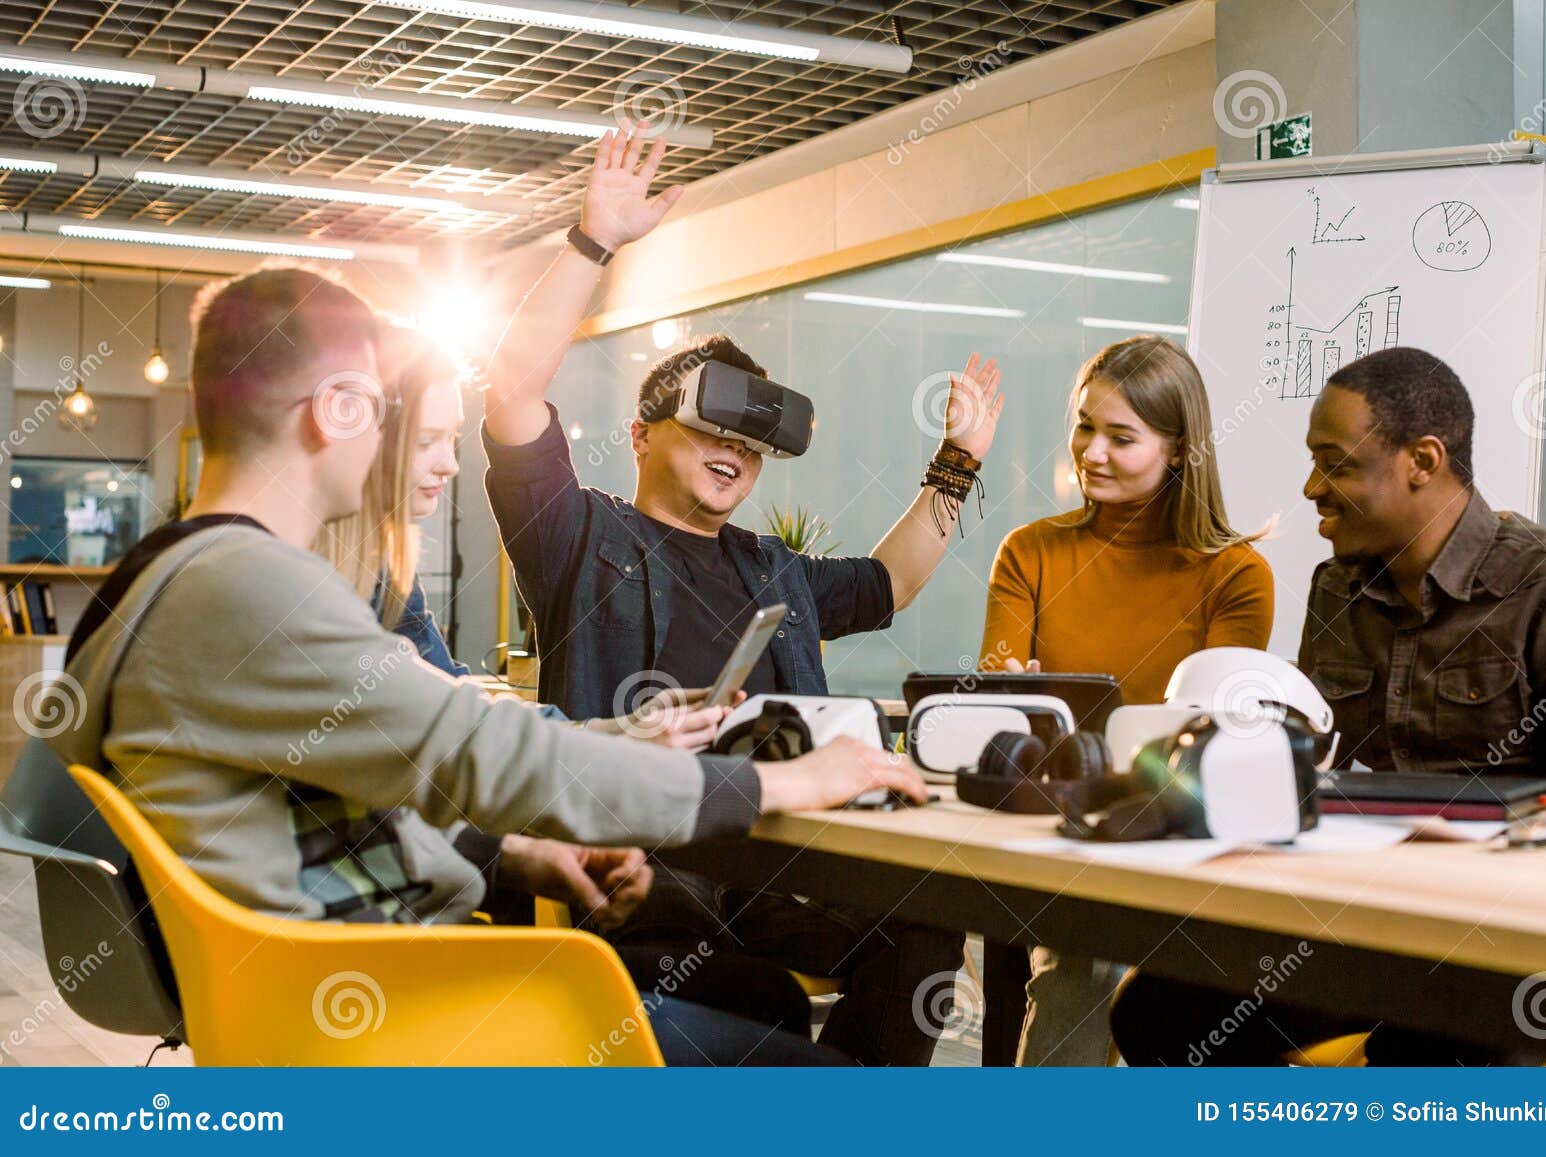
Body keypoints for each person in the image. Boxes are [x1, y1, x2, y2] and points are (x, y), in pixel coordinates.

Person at [54, 265, 929, 1067]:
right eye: (406, 427)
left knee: (767, 1006)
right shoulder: (249, 589)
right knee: (836, 1087)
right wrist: (777, 782)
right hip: (377, 1014)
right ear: (339, 411)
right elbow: (481, 753)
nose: (432, 459)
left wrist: (519, 857)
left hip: (338, 985)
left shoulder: (175, 574)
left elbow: (360, 799)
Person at [479, 124, 997, 1064]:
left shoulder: (774, 568)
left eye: (754, 443)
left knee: (920, 924)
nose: (737, 453)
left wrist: (957, 461)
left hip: (775, 869)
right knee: (756, 999)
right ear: (643, 436)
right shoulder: (580, 536)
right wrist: (594, 241)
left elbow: (894, 579)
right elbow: (511, 391)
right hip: (646, 873)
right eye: (712, 427)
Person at [315, 320, 814, 1036]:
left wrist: (530, 846)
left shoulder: (380, 579)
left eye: (448, 441)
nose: (450, 464)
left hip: (417, 943)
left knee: (775, 996)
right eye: (428, 441)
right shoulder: (292, 596)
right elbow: (426, 766)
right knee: (770, 1010)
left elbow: (451, 740)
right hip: (384, 984)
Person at [1109, 346, 1546, 1066]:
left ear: (1423, 461)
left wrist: (1465, 861)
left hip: (1501, 946)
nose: (1312, 487)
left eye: (1335, 464)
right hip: (1366, 918)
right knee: (1157, 1015)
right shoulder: (1337, 588)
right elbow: (1310, 765)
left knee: (1420, 1055)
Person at [979, 335, 1273, 1066]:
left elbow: (1211, 738)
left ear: (1178, 451)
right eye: (1085, 426)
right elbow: (999, 703)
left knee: (1105, 956)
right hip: (1059, 828)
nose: (1092, 452)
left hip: (1181, 838)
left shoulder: (1236, 575)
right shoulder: (1029, 552)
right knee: (1086, 952)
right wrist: (1014, 693)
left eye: (1122, 436)